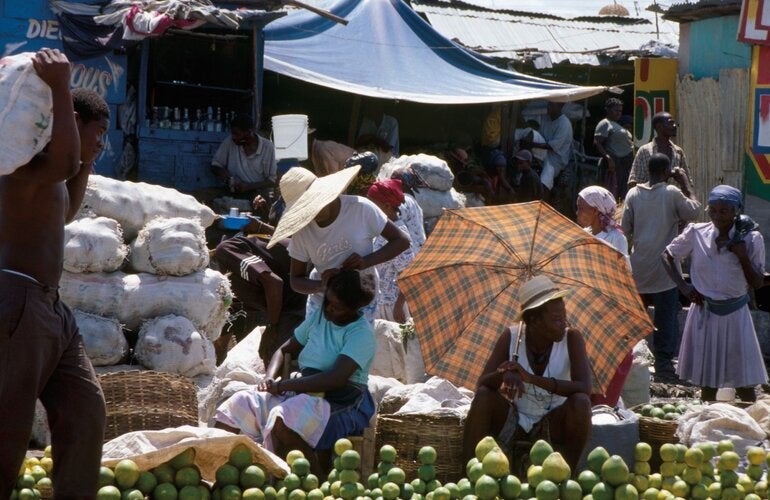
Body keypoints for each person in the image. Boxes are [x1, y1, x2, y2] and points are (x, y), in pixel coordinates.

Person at [0, 49, 110, 499]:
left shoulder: (51, 174)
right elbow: (62, 164)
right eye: (97, 133)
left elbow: (68, 208)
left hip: (49, 307)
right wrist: (61, 88)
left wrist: (86, 158)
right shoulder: (21, 166)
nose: (102, 143)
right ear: (68, 121)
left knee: (85, 411)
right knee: (8, 427)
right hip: (17, 301)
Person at [214, 270, 377, 475]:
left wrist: (283, 386)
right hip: (303, 393)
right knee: (239, 403)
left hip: (341, 402)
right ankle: (217, 471)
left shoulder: (361, 334)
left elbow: (335, 379)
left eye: (338, 308)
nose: (329, 309)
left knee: (284, 417)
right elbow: (285, 350)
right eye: (328, 301)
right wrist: (270, 378)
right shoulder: (319, 317)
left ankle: (314, 480)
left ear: (355, 309)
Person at [462, 275, 592, 473]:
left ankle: (567, 477)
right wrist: (504, 374)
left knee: (581, 403)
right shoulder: (512, 337)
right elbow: (483, 383)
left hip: (552, 419)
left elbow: (584, 388)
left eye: (564, 316)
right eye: (556, 319)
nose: (563, 323)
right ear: (534, 320)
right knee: (483, 397)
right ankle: (467, 473)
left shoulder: (572, 337)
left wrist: (531, 379)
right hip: (515, 419)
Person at [662, 185, 768, 401]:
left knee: (744, 383)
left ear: (736, 210)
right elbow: (667, 255)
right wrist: (684, 287)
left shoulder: (751, 239)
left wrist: (742, 255)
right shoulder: (697, 232)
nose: (717, 216)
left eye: (724, 211)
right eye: (713, 210)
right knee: (707, 383)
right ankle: (707, 423)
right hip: (705, 312)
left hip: (736, 314)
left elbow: (757, 283)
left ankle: (748, 426)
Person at [266, 166, 410, 324]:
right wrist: (322, 285)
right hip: (324, 302)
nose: (312, 215)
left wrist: (366, 261)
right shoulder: (303, 231)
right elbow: (296, 280)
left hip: (362, 297)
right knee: (317, 346)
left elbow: (401, 240)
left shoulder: (360, 208)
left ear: (324, 194)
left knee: (356, 346)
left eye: (314, 207)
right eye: (305, 212)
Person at [621, 153, 701, 383]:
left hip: (639, 265)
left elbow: (625, 228)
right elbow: (694, 211)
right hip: (664, 268)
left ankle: (632, 362)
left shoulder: (633, 193)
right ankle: (664, 365)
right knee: (666, 317)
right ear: (667, 172)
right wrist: (686, 184)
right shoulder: (672, 192)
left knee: (636, 317)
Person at [213, 221, 307, 366]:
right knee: (272, 357)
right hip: (293, 298)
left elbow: (274, 283)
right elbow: (223, 334)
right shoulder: (227, 295)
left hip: (304, 284)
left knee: (278, 356)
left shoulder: (226, 251)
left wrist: (272, 327)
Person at [575, 186, 631, 406]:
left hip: (606, 307)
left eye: (582, 208)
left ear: (598, 212)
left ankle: (603, 405)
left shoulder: (616, 238)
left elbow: (621, 275)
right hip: (584, 306)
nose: (578, 213)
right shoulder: (584, 236)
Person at [367, 179, 416, 323]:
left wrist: (399, 306)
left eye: (373, 205)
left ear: (387, 206)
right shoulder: (381, 230)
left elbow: (408, 275)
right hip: (380, 302)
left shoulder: (399, 236)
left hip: (392, 306)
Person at [211, 113, 277, 202]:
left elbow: (272, 181)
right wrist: (227, 178)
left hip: (257, 194)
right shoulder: (230, 142)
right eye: (232, 133)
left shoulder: (268, 147)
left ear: (249, 132)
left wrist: (248, 187)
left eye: (237, 134)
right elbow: (215, 165)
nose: (233, 137)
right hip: (233, 192)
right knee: (208, 197)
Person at [627, 111, 693, 188]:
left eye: (674, 123)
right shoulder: (644, 151)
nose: (674, 126)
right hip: (649, 198)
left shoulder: (678, 151)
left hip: (672, 199)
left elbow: (687, 182)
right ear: (659, 126)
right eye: (670, 123)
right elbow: (634, 181)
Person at [526, 102, 573, 202]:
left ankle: (542, 203)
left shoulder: (564, 123)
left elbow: (553, 146)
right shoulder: (546, 118)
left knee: (547, 175)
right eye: (548, 104)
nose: (548, 107)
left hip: (556, 159)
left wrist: (533, 145)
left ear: (560, 106)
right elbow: (541, 136)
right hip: (544, 152)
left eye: (551, 105)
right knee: (528, 133)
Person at [594, 98, 634, 200]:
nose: (618, 113)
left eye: (620, 111)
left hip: (625, 163)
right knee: (613, 193)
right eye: (616, 110)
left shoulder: (617, 125)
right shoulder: (605, 123)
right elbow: (597, 143)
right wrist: (609, 159)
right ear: (607, 110)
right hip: (615, 163)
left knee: (623, 191)